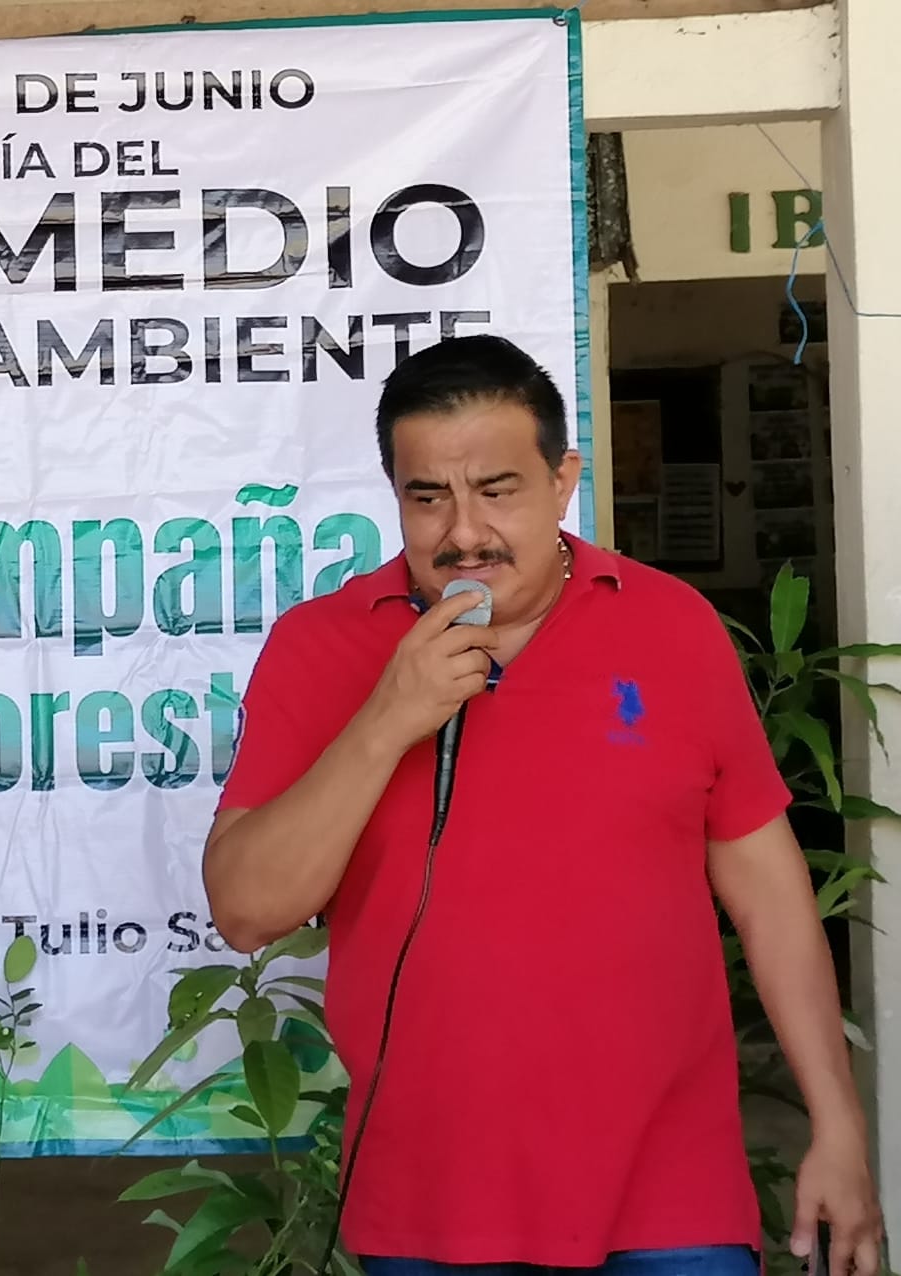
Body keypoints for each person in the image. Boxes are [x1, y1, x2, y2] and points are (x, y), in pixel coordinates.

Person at [204, 335, 883, 1276]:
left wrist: (840, 1129)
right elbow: (245, 909)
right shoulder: (322, 646)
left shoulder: (671, 624)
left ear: (564, 480)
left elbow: (770, 899)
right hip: (431, 1200)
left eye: (499, 489)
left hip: (670, 1190)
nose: (464, 533)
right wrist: (386, 720)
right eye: (427, 496)